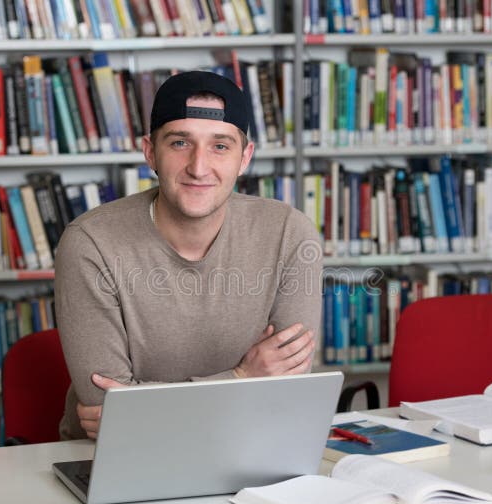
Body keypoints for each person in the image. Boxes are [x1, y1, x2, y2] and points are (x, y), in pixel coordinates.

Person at [54, 71, 323, 440]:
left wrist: (141, 406)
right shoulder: (89, 244)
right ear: (150, 151)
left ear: (245, 158)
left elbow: (285, 393)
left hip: (248, 445)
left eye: (220, 146)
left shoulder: (290, 235)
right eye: (180, 143)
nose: (199, 167)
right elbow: (109, 413)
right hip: (113, 459)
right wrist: (243, 378)